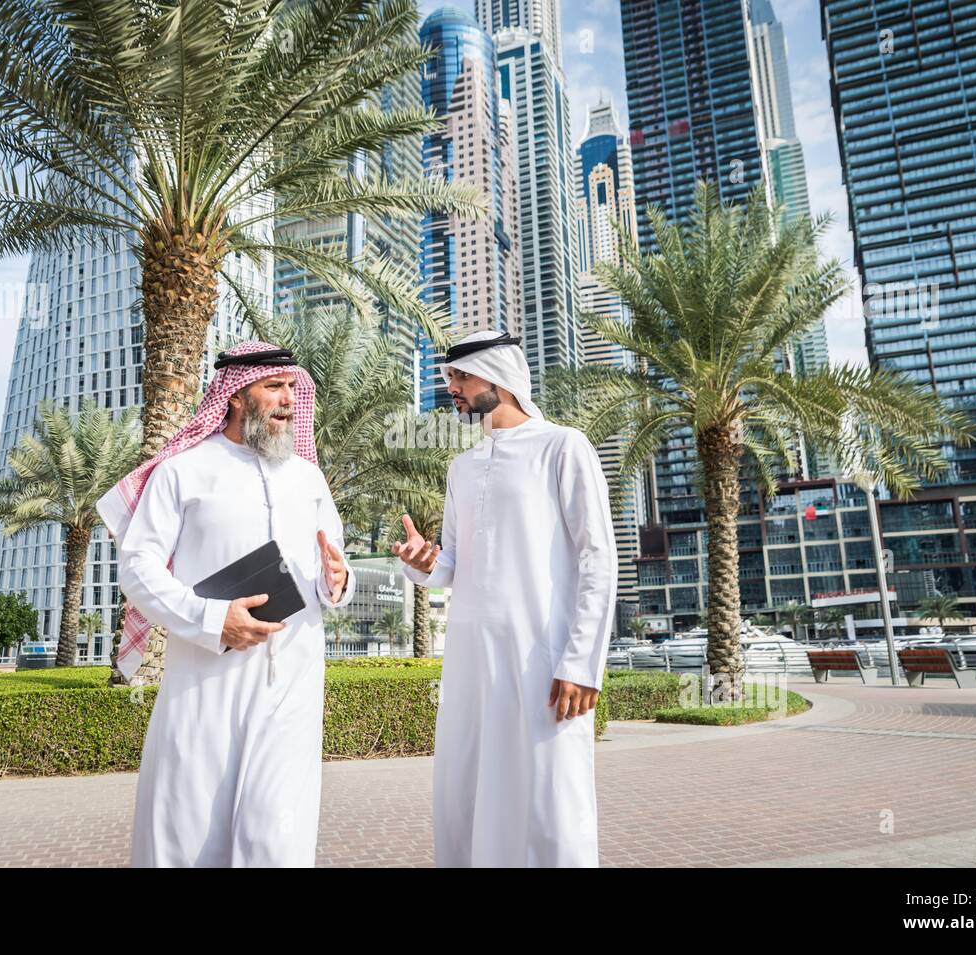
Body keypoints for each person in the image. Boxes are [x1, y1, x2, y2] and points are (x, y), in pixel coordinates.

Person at [97, 340, 355, 867]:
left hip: (293, 682)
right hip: (206, 678)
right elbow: (139, 567)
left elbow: (336, 564)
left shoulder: (308, 477)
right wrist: (215, 620)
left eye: (292, 388)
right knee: (190, 830)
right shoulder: (183, 471)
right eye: (274, 387)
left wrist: (340, 578)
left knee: (278, 837)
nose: (289, 400)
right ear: (235, 396)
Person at [392, 329, 618, 867]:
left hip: (544, 661)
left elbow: (597, 557)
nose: (453, 388)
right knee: (465, 795)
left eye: (461, 377)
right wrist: (423, 561)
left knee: (550, 802)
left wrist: (583, 662)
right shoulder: (461, 467)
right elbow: (453, 567)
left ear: (499, 377)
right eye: (449, 378)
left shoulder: (564, 446)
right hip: (471, 666)